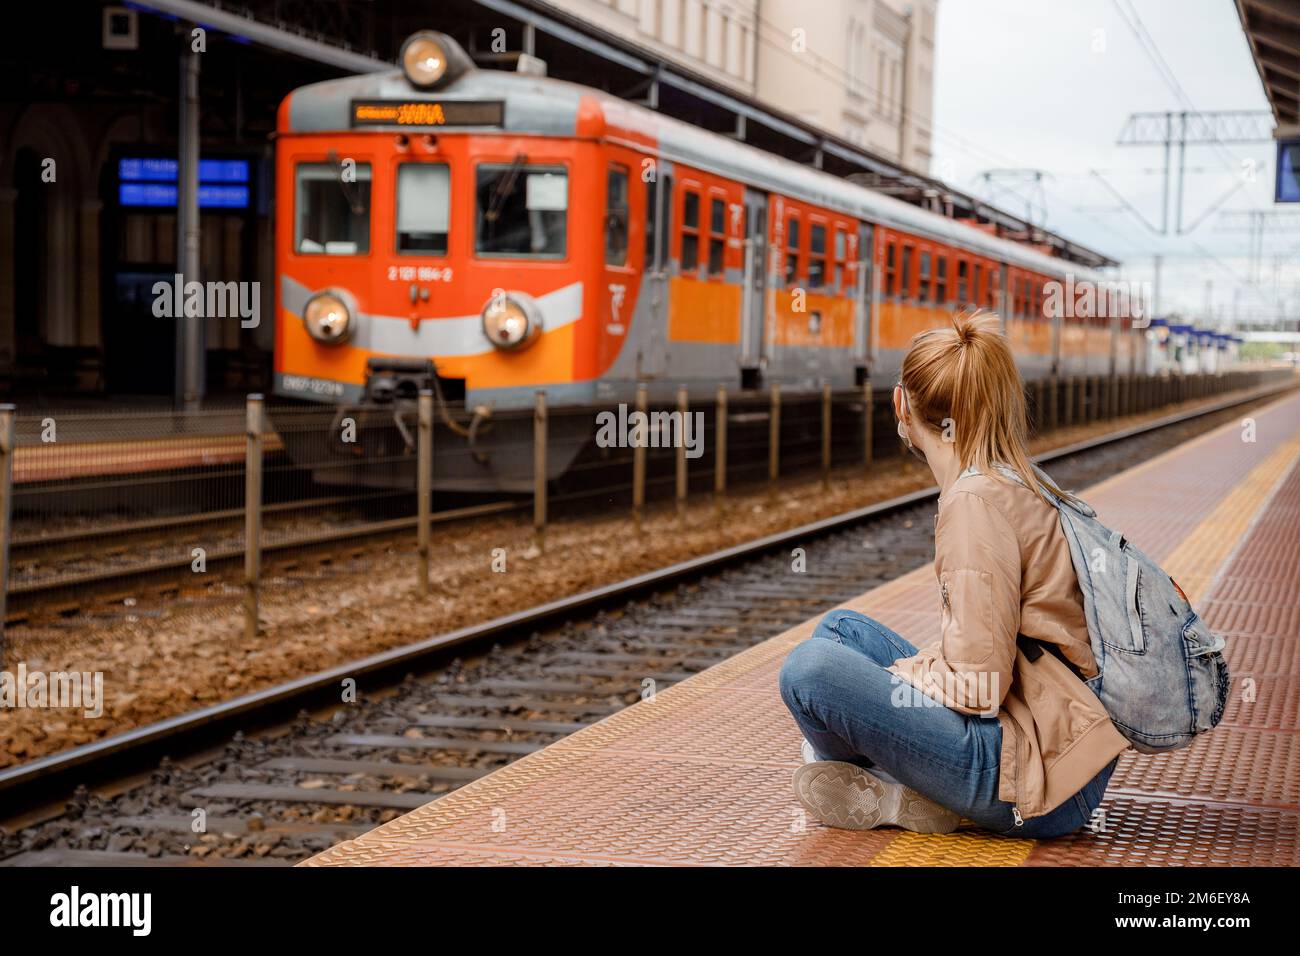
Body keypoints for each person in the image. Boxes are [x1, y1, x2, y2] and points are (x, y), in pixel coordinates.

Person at [778, 310, 1129, 838]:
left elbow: (979, 685)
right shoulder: (1007, 478)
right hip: (1054, 743)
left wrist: (897, 681)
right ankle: (886, 778)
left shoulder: (974, 503)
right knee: (841, 631)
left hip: (1037, 781)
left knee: (809, 669)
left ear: (901, 404)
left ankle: (884, 780)